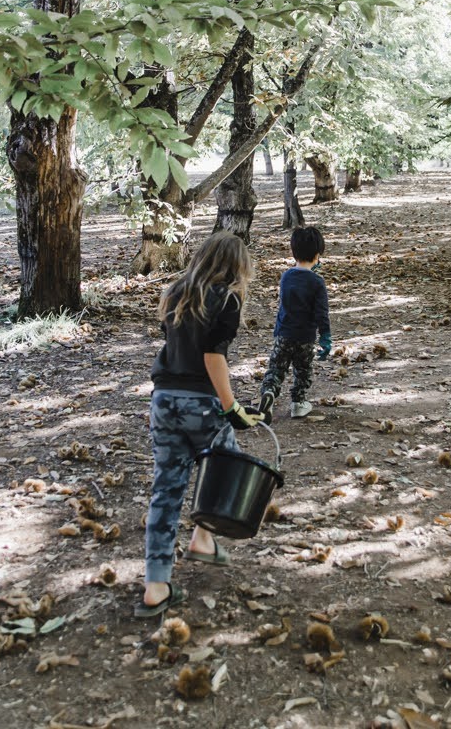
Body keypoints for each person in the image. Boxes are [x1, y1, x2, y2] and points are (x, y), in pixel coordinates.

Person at [141, 232, 263, 617]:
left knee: (166, 489)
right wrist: (232, 408)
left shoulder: (175, 292)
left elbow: (176, 347)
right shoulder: (226, 298)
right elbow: (213, 358)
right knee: (228, 470)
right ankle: (203, 537)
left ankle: (156, 585)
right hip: (201, 404)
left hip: (163, 401)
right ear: (234, 266)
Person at [258, 225, 332, 421]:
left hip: (284, 333)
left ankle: (269, 394)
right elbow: (321, 313)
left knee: (276, 368)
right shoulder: (317, 282)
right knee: (302, 371)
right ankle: (298, 403)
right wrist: (325, 337)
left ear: (294, 252)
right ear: (318, 255)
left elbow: (285, 304)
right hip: (305, 337)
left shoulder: (286, 276)